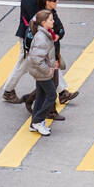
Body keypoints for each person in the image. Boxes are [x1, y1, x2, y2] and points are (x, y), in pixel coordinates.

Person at [2, 0, 49, 103]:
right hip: (28, 37)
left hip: (37, 37)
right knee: (23, 64)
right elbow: (35, 18)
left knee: (48, 63)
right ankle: (8, 90)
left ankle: (62, 92)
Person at [25, 9, 59, 137]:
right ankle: (38, 121)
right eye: (51, 19)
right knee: (51, 96)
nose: (53, 21)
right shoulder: (41, 38)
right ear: (44, 22)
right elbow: (36, 58)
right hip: (42, 72)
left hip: (41, 71)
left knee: (40, 97)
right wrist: (48, 69)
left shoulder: (45, 34)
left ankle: (34, 123)